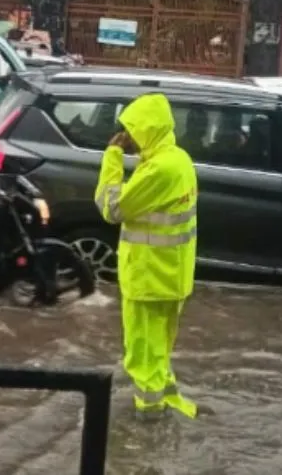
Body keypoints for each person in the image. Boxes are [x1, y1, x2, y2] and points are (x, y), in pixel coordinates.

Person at [94, 93, 198, 420]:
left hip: (149, 276)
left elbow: (111, 209)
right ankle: (164, 399)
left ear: (148, 130)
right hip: (172, 274)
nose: (128, 138)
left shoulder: (157, 169)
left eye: (132, 131)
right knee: (159, 349)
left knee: (142, 350)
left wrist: (112, 156)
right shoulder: (178, 159)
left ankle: (148, 415)